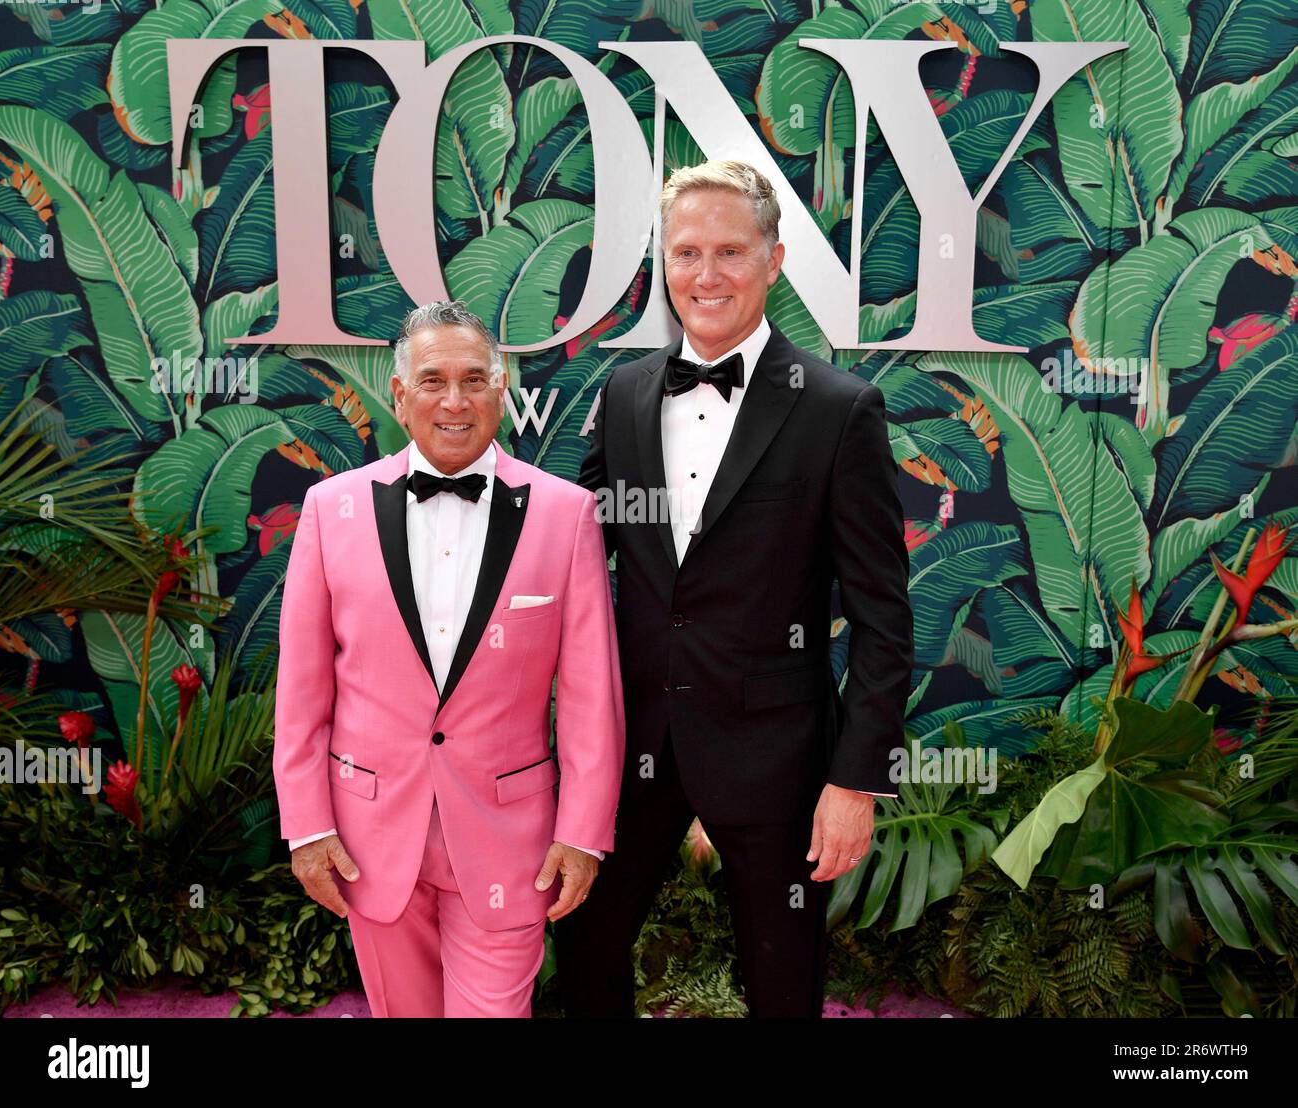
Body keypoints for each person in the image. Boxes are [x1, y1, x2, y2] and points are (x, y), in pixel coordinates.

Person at [554, 160, 914, 1018]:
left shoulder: (839, 408)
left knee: (781, 977)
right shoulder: (626, 390)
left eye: (729, 251)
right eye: (684, 253)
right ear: (662, 265)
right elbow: (573, 553)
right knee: (586, 944)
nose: (705, 275)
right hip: (635, 740)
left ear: (775, 259)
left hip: (778, 754)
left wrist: (856, 781)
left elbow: (883, 618)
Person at [274, 300, 624, 1017]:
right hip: (369, 839)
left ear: (503, 391)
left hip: (509, 843)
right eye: (433, 380)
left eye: (475, 379)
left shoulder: (566, 515)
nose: (455, 401)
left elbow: (592, 697)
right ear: (399, 397)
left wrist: (583, 832)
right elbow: (302, 693)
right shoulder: (328, 510)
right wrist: (307, 828)